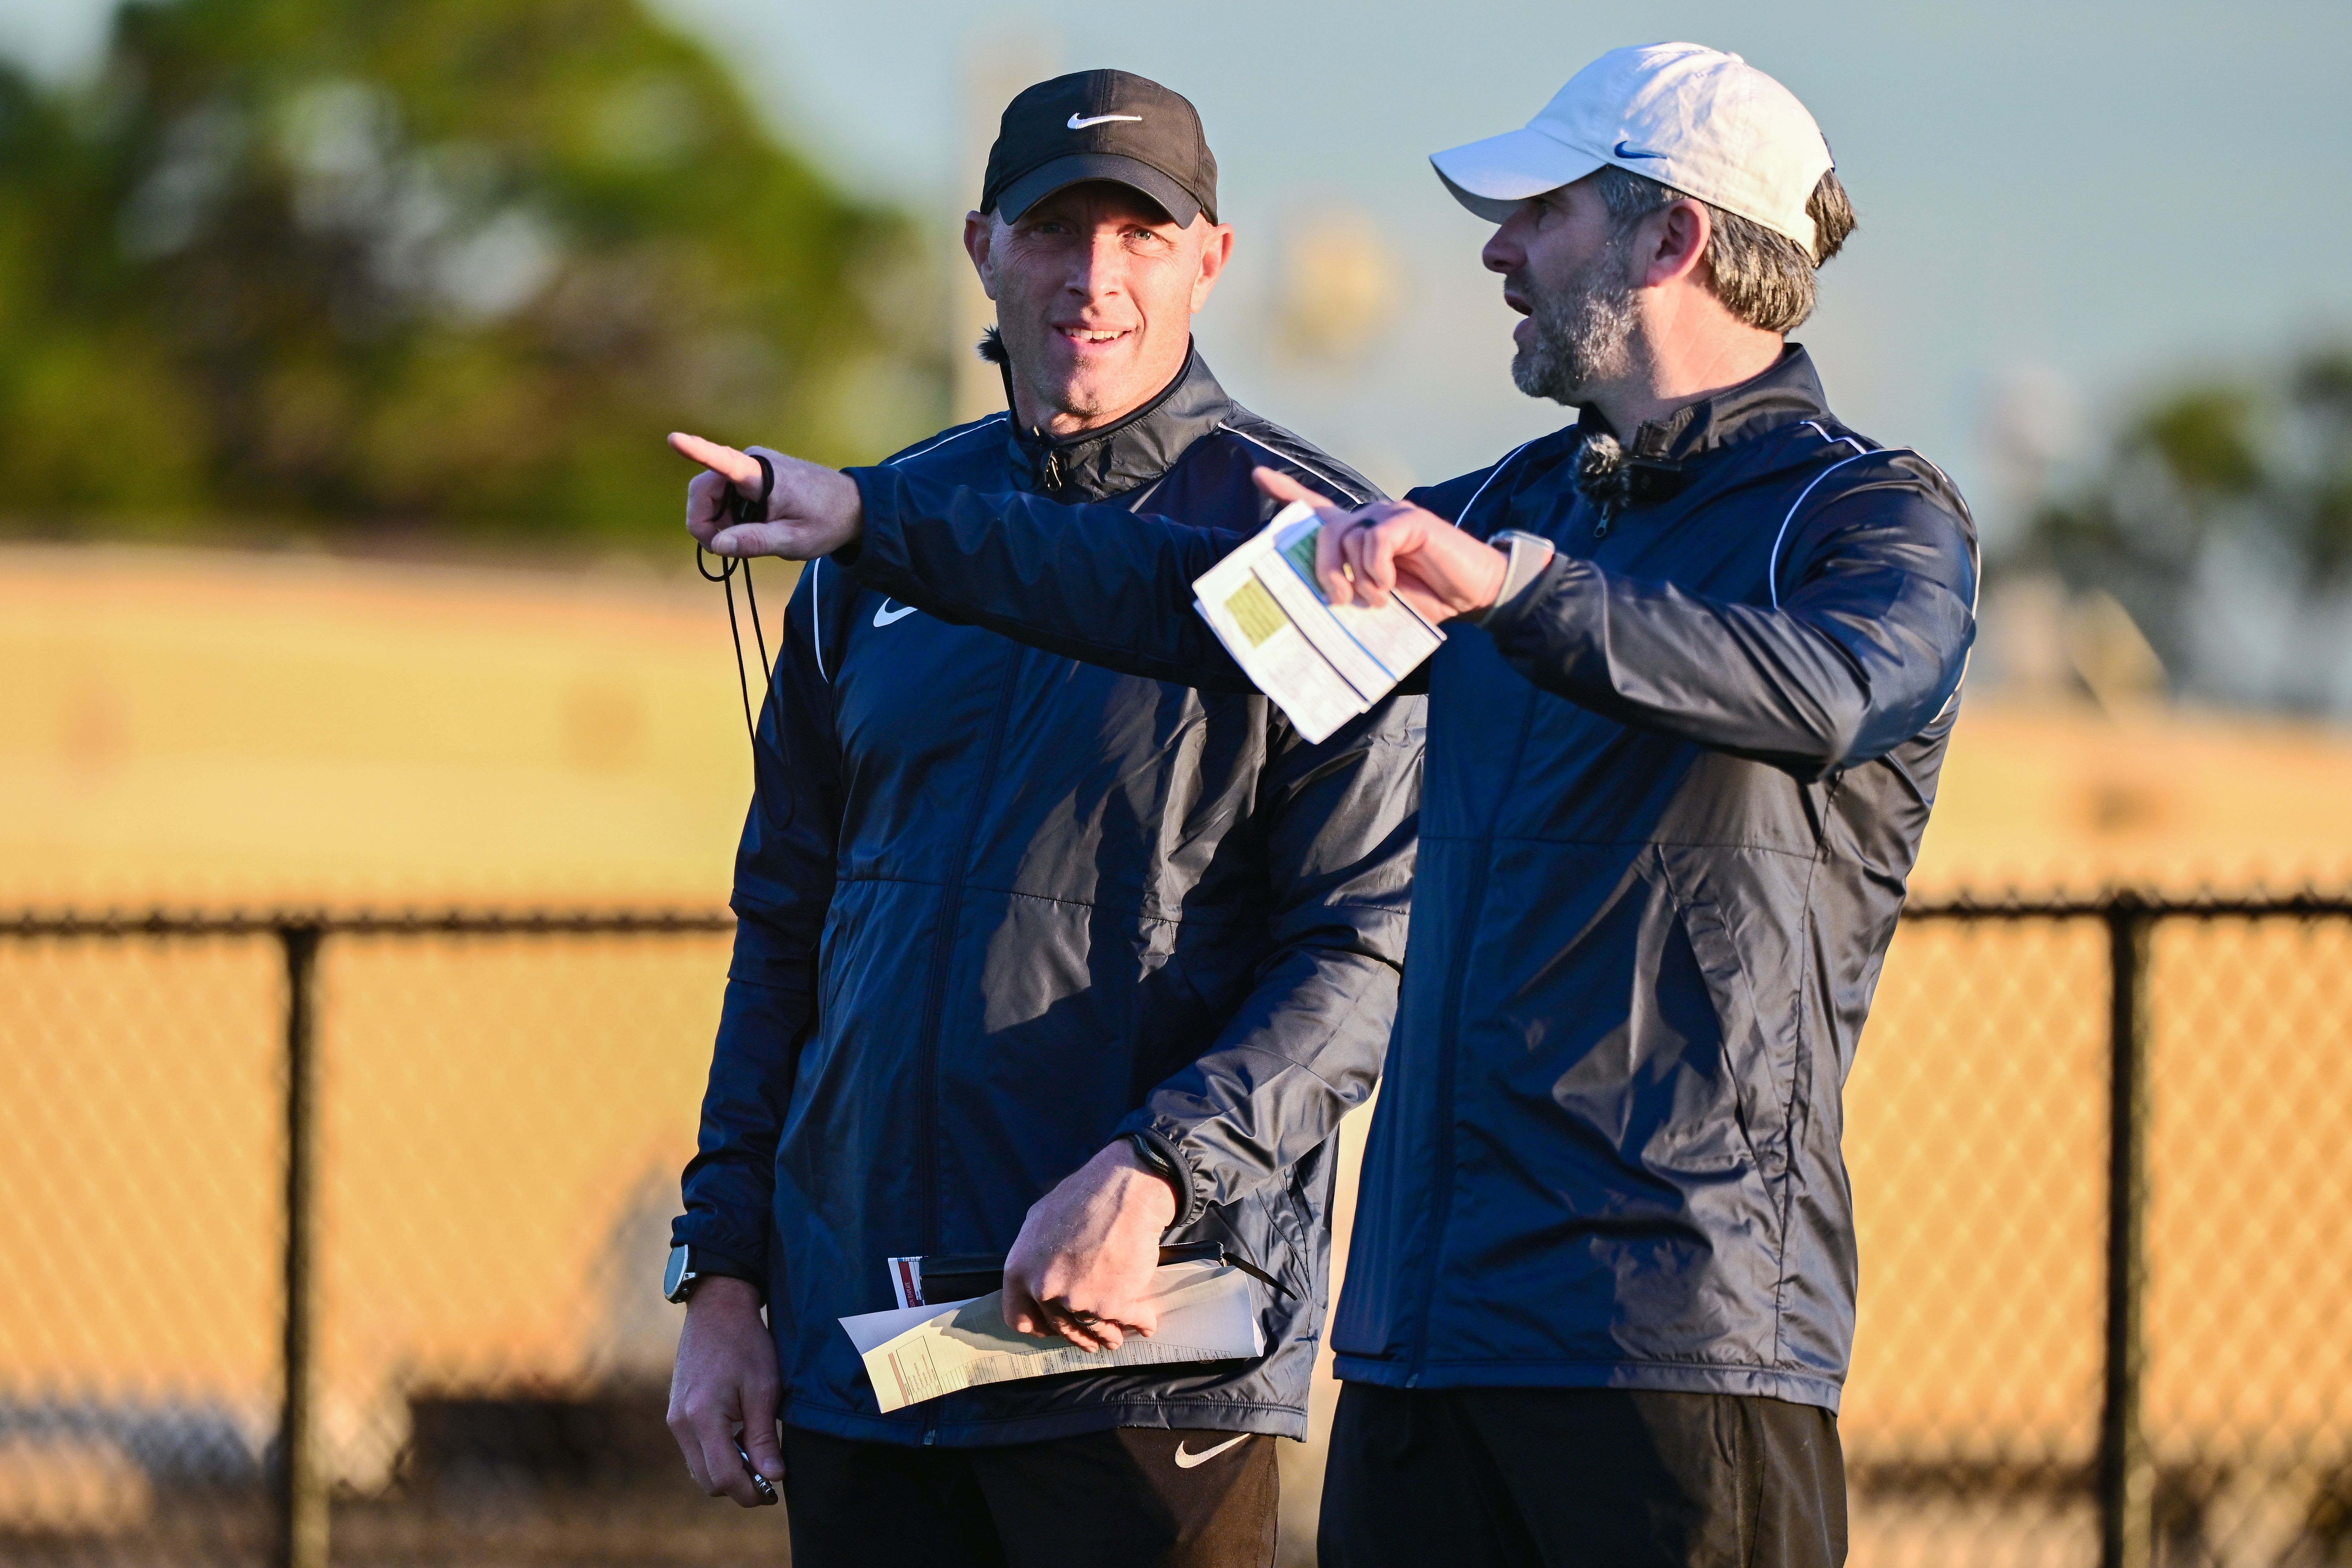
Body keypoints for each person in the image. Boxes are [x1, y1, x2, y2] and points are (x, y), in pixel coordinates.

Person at [681, 41, 1980, 1568]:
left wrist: (1511, 593)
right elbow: (1185, 598)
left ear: (1672, 236)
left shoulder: (1861, 515)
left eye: (1541, 213)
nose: (1496, 247)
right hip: (1423, 1338)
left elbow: (1823, 688)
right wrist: (868, 516)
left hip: (1683, 1337)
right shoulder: (1495, 505)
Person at [660, 68, 1422, 1568]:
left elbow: (1369, 959)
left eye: (1142, 234)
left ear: (1211, 257)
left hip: (1142, 1343)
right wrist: (727, 1274)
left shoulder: (1316, 552)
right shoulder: (868, 533)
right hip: (861, 1357)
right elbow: (783, 936)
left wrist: (1157, 1168)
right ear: (980, 246)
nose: (1095, 276)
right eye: (1056, 229)